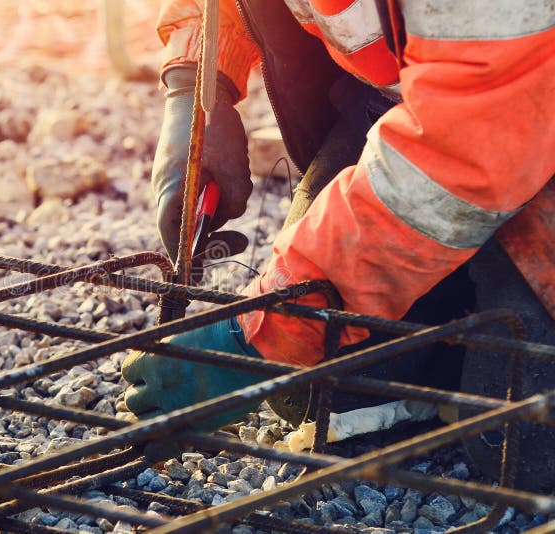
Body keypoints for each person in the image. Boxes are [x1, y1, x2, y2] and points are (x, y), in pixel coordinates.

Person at [121, 0, 555, 488]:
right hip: (417, 99)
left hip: (503, 119)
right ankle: (460, 329)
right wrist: (199, 81)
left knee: (523, 452)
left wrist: (263, 333)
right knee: (312, 391)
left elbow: (468, 145)